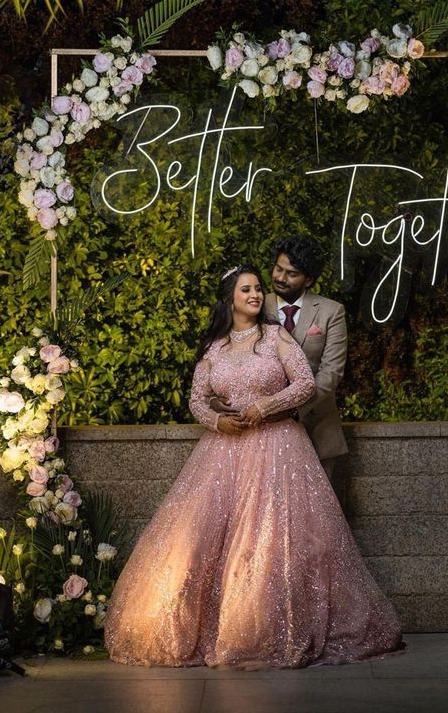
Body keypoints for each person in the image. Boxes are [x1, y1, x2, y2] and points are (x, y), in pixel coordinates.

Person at [104, 264, 402, 668]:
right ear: (230, 298)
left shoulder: (276, 336)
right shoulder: (216, 347)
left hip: (278, 448)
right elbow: (196, 399)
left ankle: (265, 627)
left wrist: (263, 407)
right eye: (246, 290)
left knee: (272, 539)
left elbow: (305, 384)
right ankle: (220, 626)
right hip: (224, 450)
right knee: (202, 542)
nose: (256, 295)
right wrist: (217, 421)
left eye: (259, 289)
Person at [266, 235, 349, 479]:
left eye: (291, 273)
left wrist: (292, 408)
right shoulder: (257, 304)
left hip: (317, 428)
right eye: (278, 269)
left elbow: (331, 373)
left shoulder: (331, 311)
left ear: (309, 279)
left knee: (322, 514)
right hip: (264, 430)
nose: (281, 277)